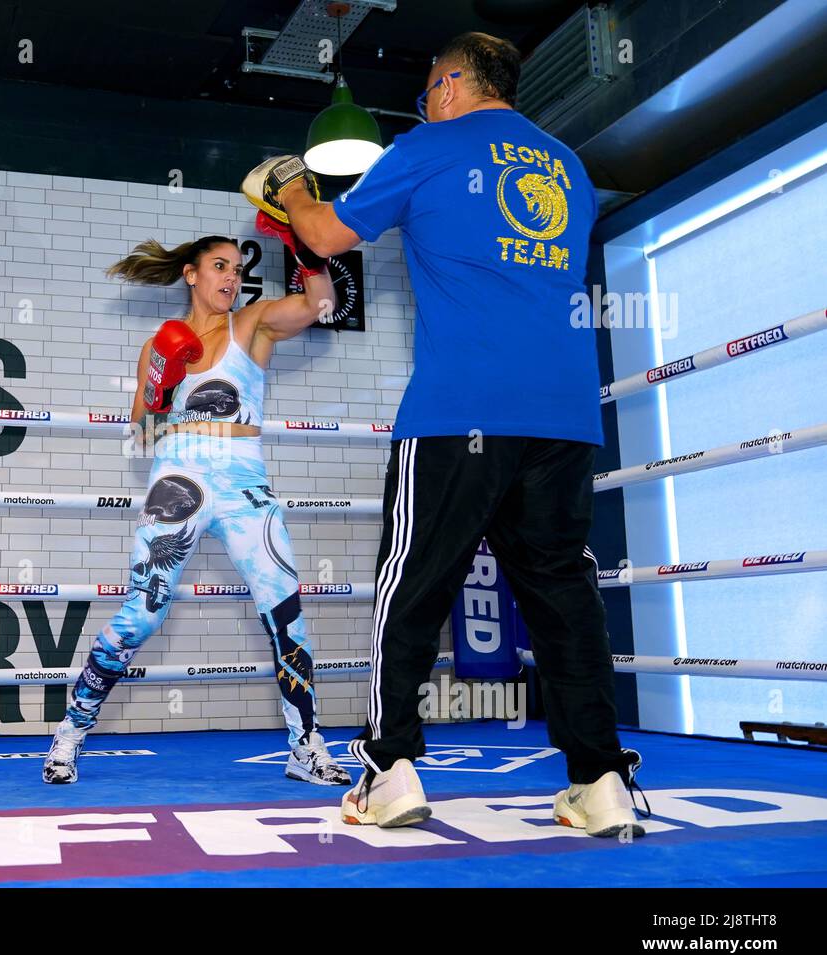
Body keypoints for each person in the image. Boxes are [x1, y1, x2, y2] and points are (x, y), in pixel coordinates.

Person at [243, 31, 644, 837]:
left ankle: (390, 771)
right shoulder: (566, 166)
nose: (425, 101)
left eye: (430, 86)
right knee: (564, 596)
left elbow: (324, 235)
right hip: (565, 416)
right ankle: (600, 780)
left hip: (463, 411)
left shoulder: (430, 144)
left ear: (456, 83)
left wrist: (288, 186)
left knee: (413, 587)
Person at [43, 225, 352, 787]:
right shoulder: (160, 343)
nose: (232, 278)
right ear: (191, 274)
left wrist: (304, 245)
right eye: (220, 266)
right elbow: (141, 436)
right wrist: (162, 386)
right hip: (179, 470)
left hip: (243, 479)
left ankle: (306, 747)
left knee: (287, 614)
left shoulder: (252, 325)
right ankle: (70, 732)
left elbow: (321, 304)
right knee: (143, 612)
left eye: (238, 270)